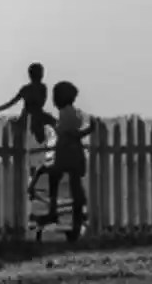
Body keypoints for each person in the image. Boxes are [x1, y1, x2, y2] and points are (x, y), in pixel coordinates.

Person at [36, 80, 96, 233]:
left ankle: (57, 213)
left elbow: (70, 132)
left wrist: (86, 131)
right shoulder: (70, 112)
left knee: (57, 178)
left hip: (68, 155)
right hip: (70, 154)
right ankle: (63, 213)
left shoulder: (67, 112)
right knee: (67, 183)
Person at [0, 62, 56, 145]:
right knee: (50, 126)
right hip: (33, 116)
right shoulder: (41, 87)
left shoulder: (28, 89)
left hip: (29, 116)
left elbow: (12, 102)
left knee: (48, 127)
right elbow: (41, 101)